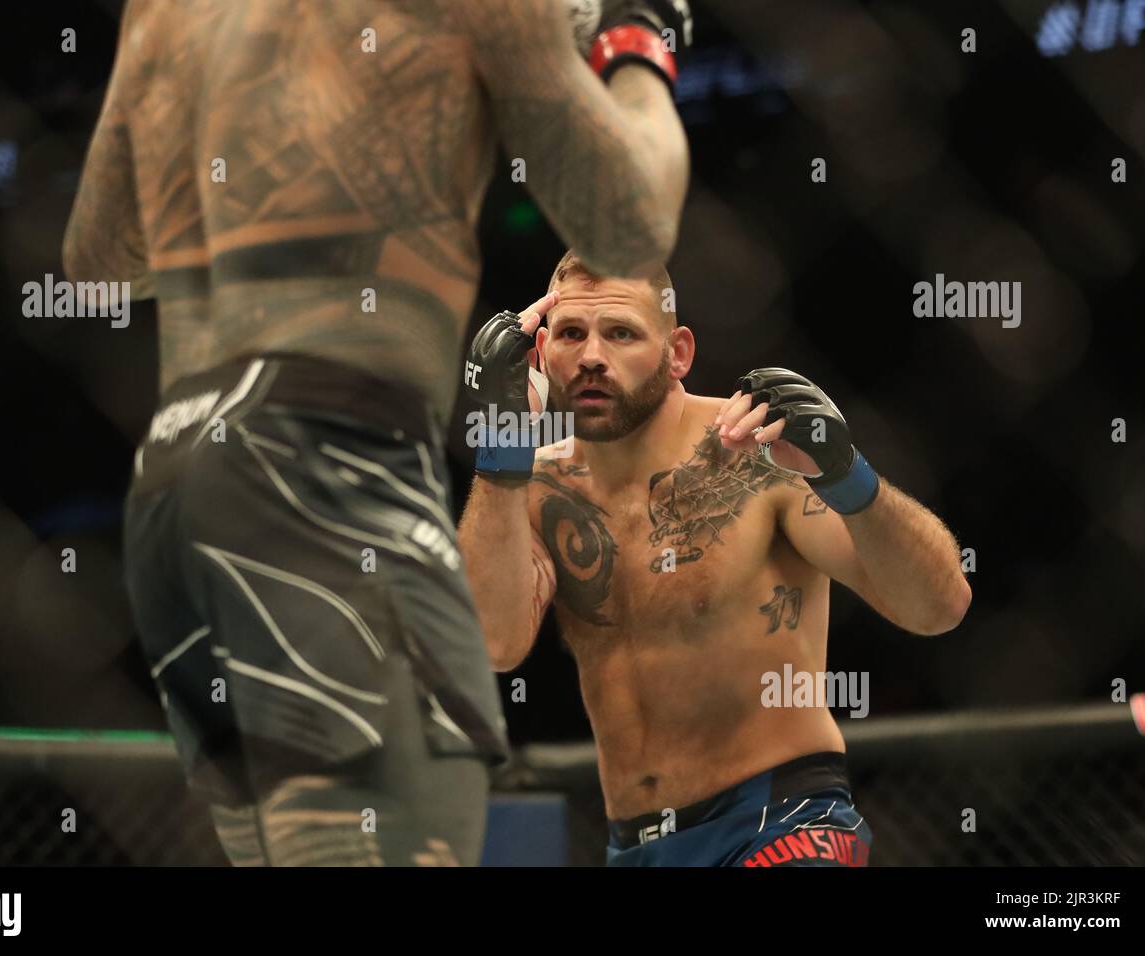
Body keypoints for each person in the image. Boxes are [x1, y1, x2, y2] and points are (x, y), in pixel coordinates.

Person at [62, 0, 693, 866]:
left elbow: (99, 255)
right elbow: (631, 225)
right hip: (326, 456)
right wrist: (637, 42)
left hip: (178, 472)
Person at [457, 251, 972, 865]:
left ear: (678, 353)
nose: (592, 355)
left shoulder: (761, 457)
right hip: (633, 846)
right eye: (572, 333)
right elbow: (492, 641)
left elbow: (940, 607)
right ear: (540, 353)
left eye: (621, 332)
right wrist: (499, 443)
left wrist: (848, 476)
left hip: (781, 823)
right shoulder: (535, 488)